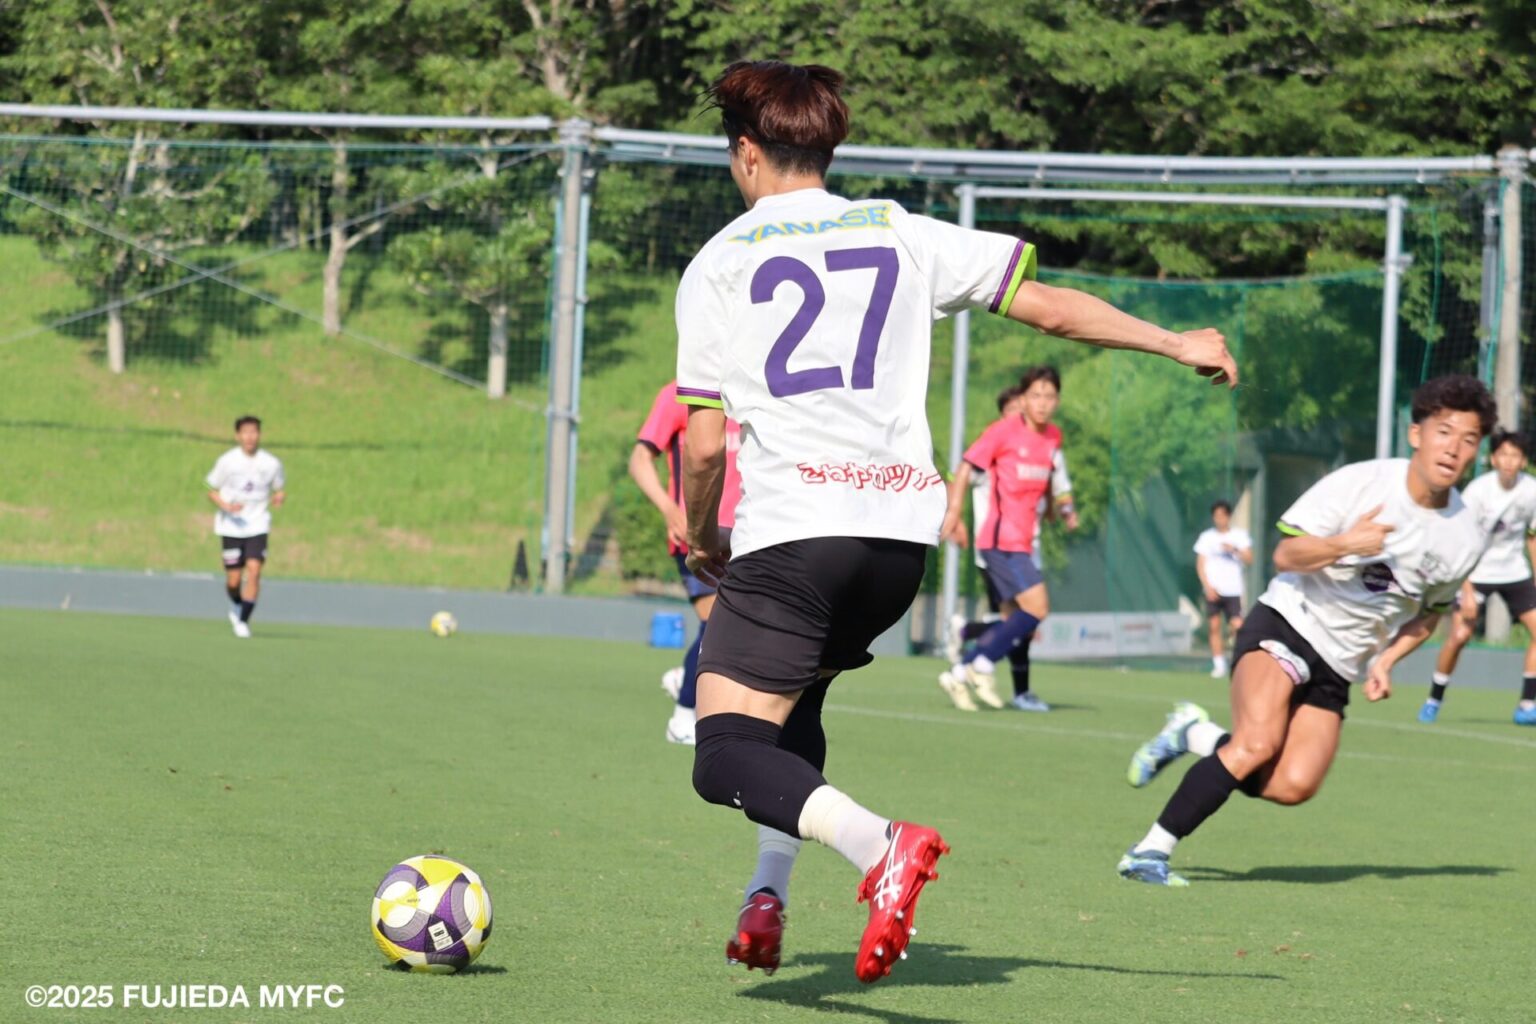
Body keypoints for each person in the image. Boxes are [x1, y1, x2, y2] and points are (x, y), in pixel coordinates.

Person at [675, 59, 1234, 980]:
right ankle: (767, 890)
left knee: (722, 749)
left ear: (745, 154)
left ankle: (879, 845)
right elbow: (1049, 310)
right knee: (793, 709)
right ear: (825, 147)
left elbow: (702, 448)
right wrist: (1174, 341)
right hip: (896, 549)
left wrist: (703, 539)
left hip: (795, 537)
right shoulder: (900, 230)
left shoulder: (721, 263)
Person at [1117, 374, 1494, 887]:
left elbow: (1430, 613)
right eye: (1444, 431)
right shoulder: (1362, 483)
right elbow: (1286, 553)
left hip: (1339, 664)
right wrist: (1346, 544)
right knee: (1256, 744)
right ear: (1416, 434)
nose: (1453, 447)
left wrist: (1385, 661)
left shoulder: (1465, 536)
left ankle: (1194, 733)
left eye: (1468, 438)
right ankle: (1149, 851)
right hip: (1289, 622)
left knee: (1292, 784)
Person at [940, 366, 1078, 712]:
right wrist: (954, 515)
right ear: (1023, 398)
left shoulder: (1053, 437)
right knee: (1038, 608)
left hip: (1024, 542)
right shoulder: (1003, 432)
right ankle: (979, 663)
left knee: (1020, 618)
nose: (1042, 403)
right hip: (1000, 540)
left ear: (1057, 400)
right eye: (1035, 396)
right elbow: (967, 467)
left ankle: (964, 667)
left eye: (1049, 396)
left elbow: (1049, 475)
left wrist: (1057, 509)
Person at [628, 380, 743, 745]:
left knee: (736, 631)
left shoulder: (753, 388)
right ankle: (683, 715)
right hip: (696, 538)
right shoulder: (680, 392)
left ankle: (687, 674)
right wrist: (669, 509)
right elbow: (640, 458)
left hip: (750, 536)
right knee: (717, 622)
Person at [1419, 429, 1536, 726]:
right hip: (1476, 571)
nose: (1510, 461)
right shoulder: (1478, 491)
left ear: (1523, 461)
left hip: (1514, 572)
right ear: (1494, 458)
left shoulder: (1531, 490)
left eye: (1516, 456)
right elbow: (1462, 540)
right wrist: (1467, 589)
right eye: (1504, 455)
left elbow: (1532, 537)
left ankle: (1527, 704)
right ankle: (1434, 699)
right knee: (1460, 635)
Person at [205, 415, 285, 639]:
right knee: (233, 580)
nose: (250, 436)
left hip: (258, 524)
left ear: (259, 434)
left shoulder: (271, 463)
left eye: (254, 431)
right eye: (245, 432)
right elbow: (209, 486)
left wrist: (279, 496)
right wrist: (226, 505)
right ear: (238, 435)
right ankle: (237, 603)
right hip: (231, 526)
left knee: (255, 570)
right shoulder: (227, 461)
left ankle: (243, 620)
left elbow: (279, 487)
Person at [1194, 500, 1253, 678]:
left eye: (1223, 515)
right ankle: (1219, 664)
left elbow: (1250, 559)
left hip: (1233, 590)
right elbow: (1200, 564)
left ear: (1228, 516)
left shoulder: (1239, 536)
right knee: (1214, 627)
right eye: (1216, 516)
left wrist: (1234, 549)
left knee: (1237, 625)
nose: (1220, 519)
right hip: (1213, 590)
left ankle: (1240, 660)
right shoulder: (1207, 537)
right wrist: (1208, 587)